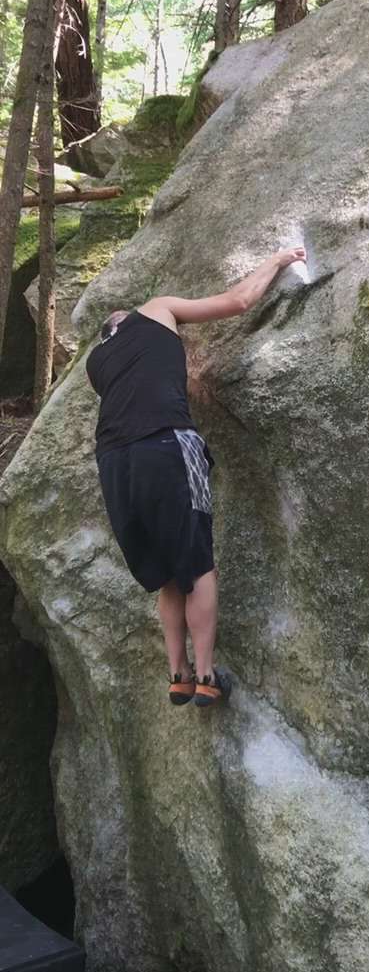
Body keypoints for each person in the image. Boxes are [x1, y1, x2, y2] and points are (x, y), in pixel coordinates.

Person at [85, 246, 306, 708]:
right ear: (126, 317)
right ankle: (207, 676)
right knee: (198, 565)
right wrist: (278, 260)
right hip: (165, 444)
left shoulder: (97, 363)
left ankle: (178, 674)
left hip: (113, 464)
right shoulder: (157, 309)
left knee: (166, 575)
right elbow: (239, 301)